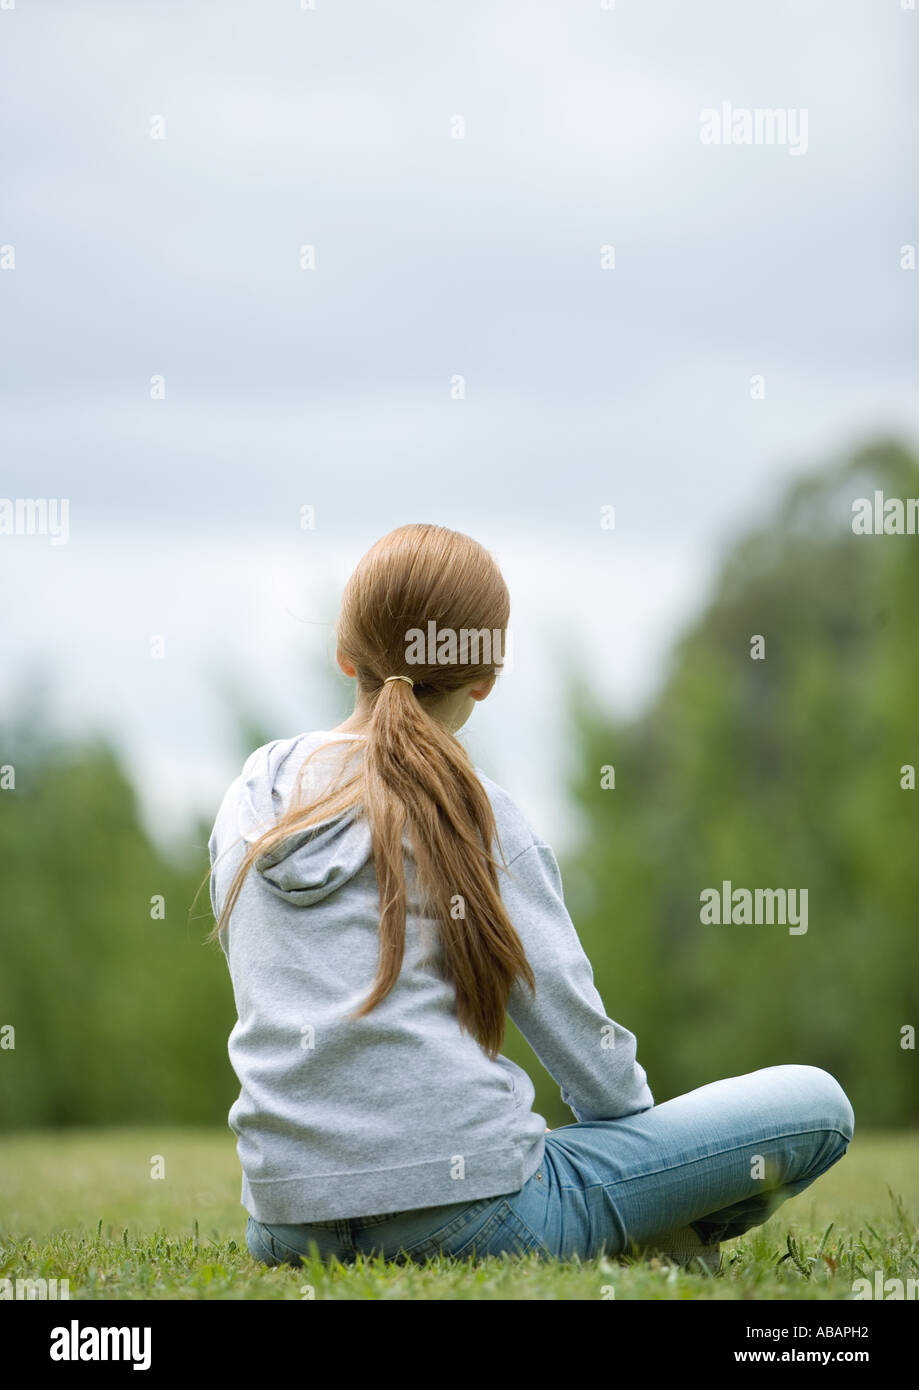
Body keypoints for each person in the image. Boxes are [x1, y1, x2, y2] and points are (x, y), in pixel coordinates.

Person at [207, 522, 854, 1270]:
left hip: (288, 1227)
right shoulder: (473, 810)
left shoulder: (253, 801)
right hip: (480, 1217)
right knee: (818, 1106)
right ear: (486, 677)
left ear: (343, 654)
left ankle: (643, 1236)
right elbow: (589, 1056)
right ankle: (659, 1237)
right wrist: (646, 1164)